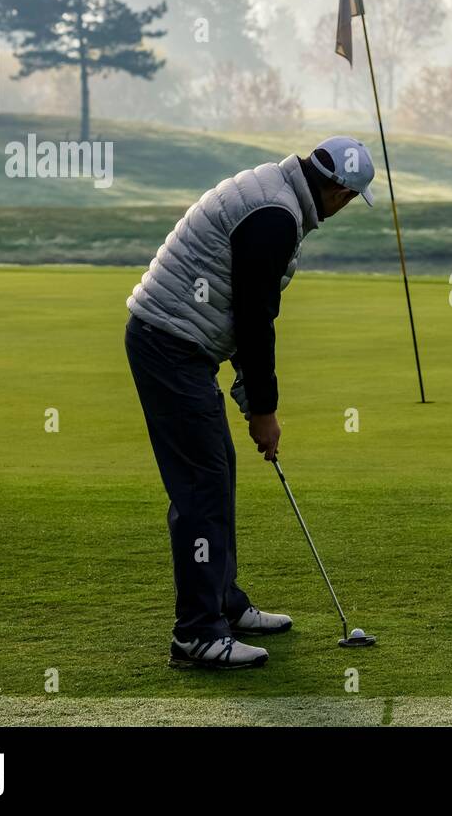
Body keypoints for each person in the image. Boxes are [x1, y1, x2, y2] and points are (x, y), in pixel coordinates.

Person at [124, 136, 375, 669]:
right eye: (349, 198)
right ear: (335, 190)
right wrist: (264, 409)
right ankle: (196, 634)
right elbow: (255, 320)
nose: (345, 208)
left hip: (178, 343)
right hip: (169, 345)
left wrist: (249, 398)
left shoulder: (276, 194)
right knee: (202, 488)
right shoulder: (276, 216)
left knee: (216, 475)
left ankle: (223, 603)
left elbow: (244, 310)